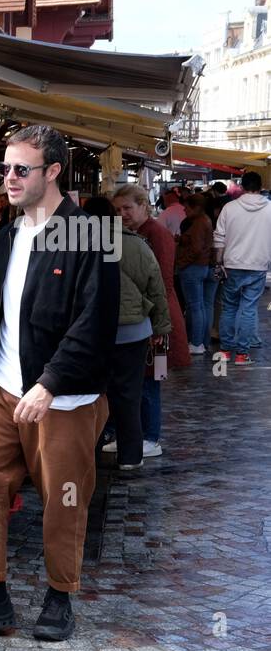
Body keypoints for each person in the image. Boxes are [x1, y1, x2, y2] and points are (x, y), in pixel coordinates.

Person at [0, 125, 117, 643]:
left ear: (53, 172)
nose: (8, 178)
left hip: (62, 396)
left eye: (21, 169)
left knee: (64, 496)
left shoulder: (91, 233)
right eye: (4, 168)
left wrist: (49, 383)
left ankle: (59, 595)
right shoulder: (8, 232)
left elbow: (96, 321)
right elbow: (1, 313)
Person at [83, 196, 170, 471]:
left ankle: (90, 454)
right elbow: (156, 287)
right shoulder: (137, 244)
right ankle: (131, 457)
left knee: (92, 395)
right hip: (134, 332)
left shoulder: (78, 244)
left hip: (93, 332)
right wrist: (161, 328)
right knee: (129, 395)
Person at [113, 184, 189, 460]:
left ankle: (151, 437)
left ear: (144, 205)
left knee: (150, 381)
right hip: (146, 318)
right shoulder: (135, 234)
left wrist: (159, 326)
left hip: (156, 319)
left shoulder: (157, 235)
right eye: (118, 210)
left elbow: (163, 284)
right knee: (139, 380)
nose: (122, 214)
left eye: (127, 208)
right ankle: (134, 435)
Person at [213, 171, 271, 364]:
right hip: (258, 266)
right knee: (248, 309)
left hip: (232, 266)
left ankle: (225, 351)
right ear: (261, 187)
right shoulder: (269, 208)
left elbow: (219, 237)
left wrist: (219, 262)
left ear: (242, 186)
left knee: (229, 308)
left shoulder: (230, 208)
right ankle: (241, 354)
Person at [176, 193, 217, 355]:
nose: (184, 210)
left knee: (195, 307)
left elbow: (197, 248)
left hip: (194, 268)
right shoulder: (204, 220)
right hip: (203, 266)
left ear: (196, 207)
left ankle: (196, 342)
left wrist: (183, 263)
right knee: (203, 306)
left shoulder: (200, 222)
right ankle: (202, 341)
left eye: (187, 207)